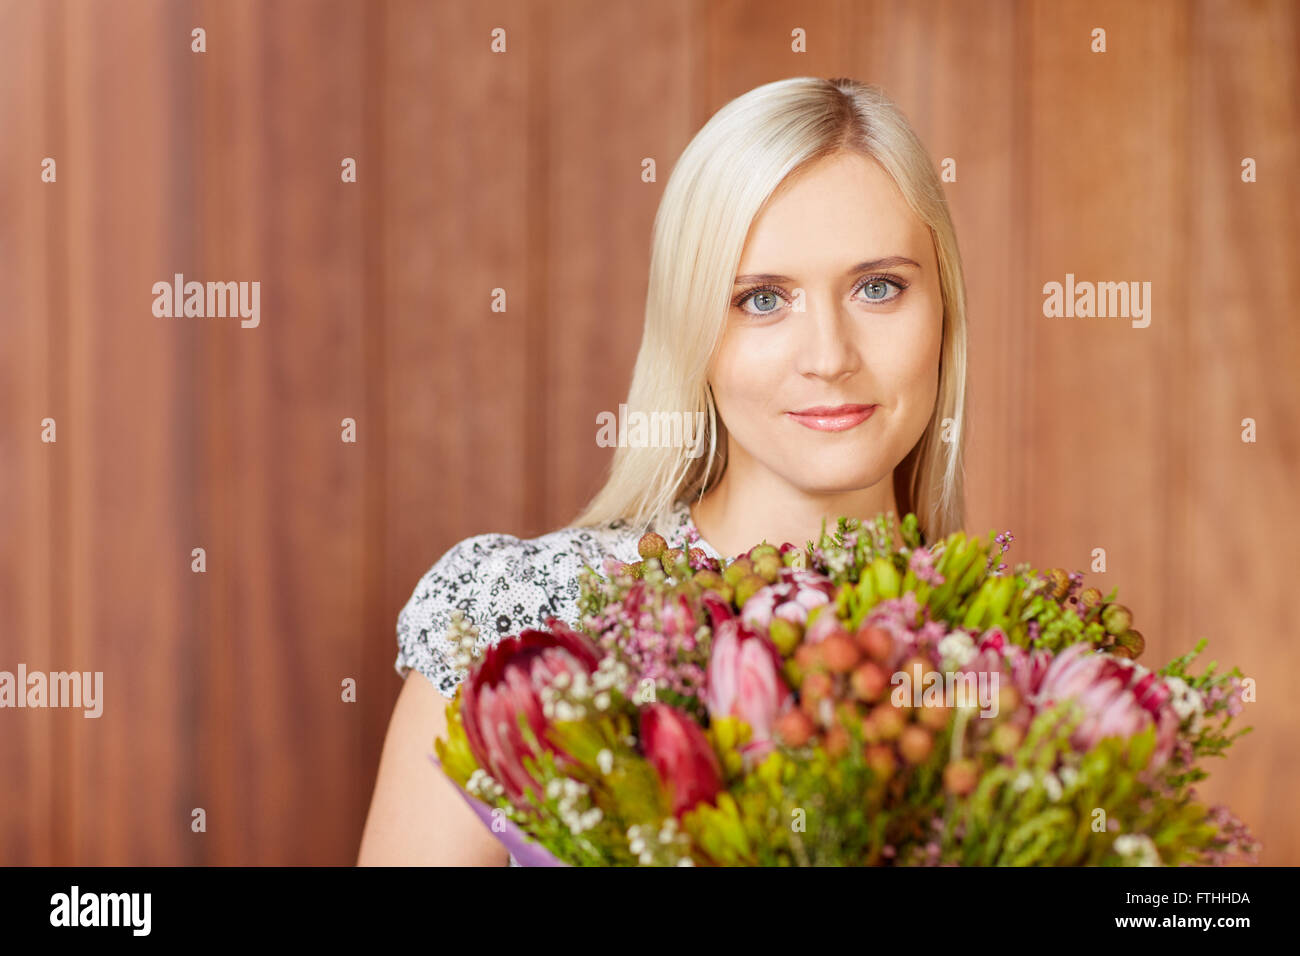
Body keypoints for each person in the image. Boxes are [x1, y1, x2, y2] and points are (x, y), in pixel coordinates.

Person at [357, 76, 969, 866]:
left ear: (944, 308)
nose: (829, 357)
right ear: (692, 329)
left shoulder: (1006, 673)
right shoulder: (516, 627)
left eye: (877, 288)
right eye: (760, 300)